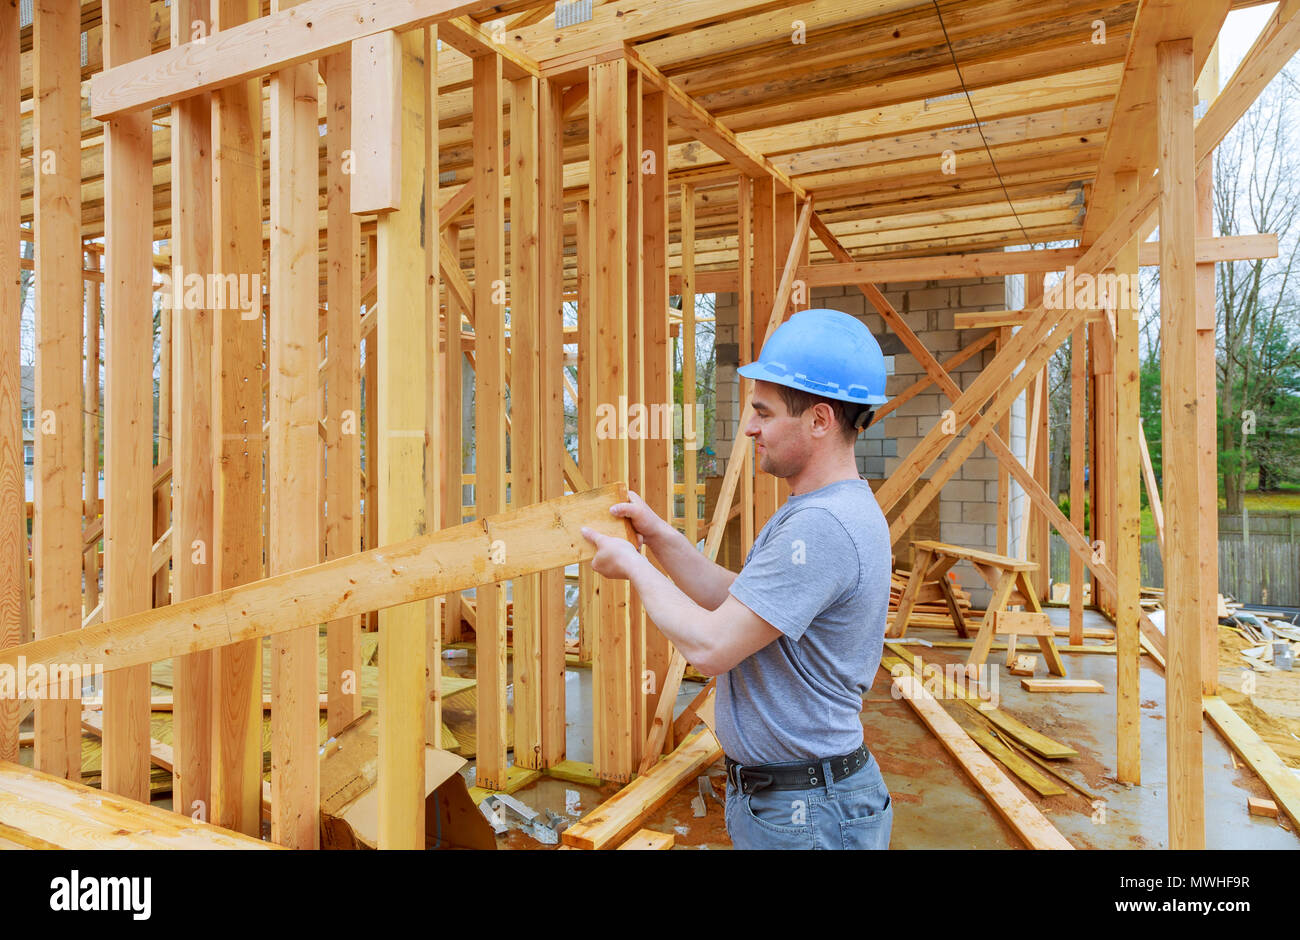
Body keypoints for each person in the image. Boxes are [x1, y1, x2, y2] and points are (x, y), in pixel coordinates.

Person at [582, 307, 894, 850]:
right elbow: (739, 601)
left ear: (819, 420)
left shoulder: (822, 526)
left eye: (763, 412)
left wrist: (633, 568)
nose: (749, 427)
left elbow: (711, 646)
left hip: (808, 812)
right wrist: (659, 537)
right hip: (798, 799)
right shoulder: (822, 508)